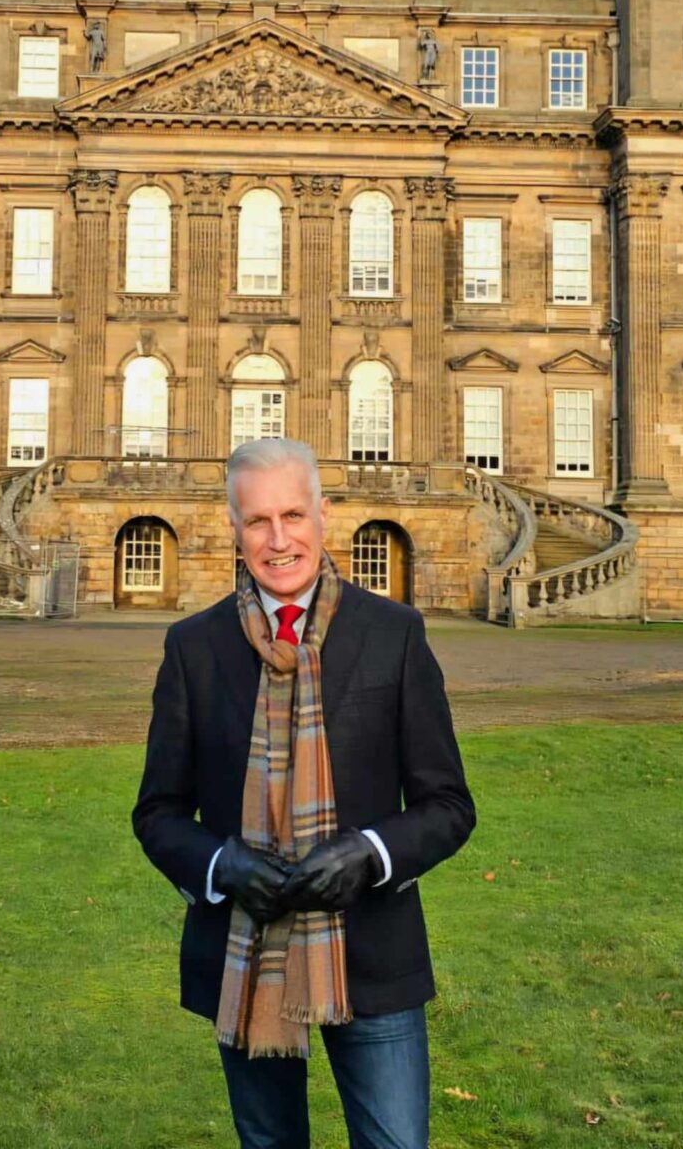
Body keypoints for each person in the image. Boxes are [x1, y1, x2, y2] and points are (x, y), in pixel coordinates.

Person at [133, 438, 475, 1149]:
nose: (278, 539)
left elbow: (447, 805)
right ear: (233, 527)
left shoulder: (395, 635)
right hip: (245, 949)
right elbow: (159, 812)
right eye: (258, 520)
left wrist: (370, 852)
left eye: (293, 514)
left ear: (324, 514)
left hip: (370, 948)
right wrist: (221, 868)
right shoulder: (193, 647)